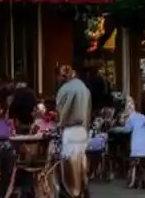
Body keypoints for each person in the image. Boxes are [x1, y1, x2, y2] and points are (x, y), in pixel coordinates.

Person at [55, 64, 92, 198]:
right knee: (81, 164)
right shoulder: (84, 88)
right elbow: (88, 112)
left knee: (70, 167)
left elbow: (60, 112)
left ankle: (73, 193)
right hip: (82, 130)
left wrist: (58, 124)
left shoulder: (65, 89)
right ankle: (82, 191)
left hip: (70, 130)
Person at [122, 98, 145, 191]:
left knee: (133, 164)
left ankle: (132, 182)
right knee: (143, 165)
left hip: (135, 144)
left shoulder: (131, 118)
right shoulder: (144, 117)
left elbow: (127, 130)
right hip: (144, 145)